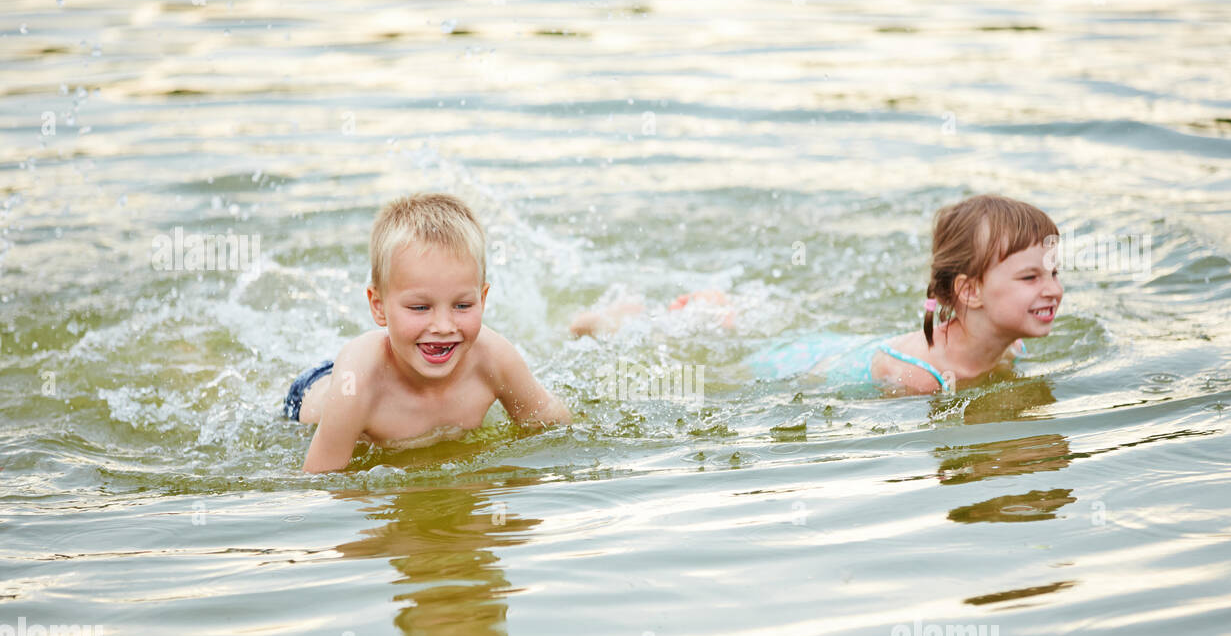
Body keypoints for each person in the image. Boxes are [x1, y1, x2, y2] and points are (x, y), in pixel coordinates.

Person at [569, 194, 1062, 395]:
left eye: (1054, 273)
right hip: (796, 366)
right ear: (970, 291)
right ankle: (615, 322)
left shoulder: (1009, 345)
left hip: (836, 343)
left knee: (725, 335)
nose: (1052, 290)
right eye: (1030, 278)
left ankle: (720, 314)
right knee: (707, 366)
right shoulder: (920, 380)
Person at [284, 193, 570, 473]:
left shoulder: (494, 357)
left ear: (482, 300)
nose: (444, 327)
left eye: (462, 305)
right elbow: (321, 482)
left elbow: (556, 431)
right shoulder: (357, 381)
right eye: (420, 307)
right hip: (316, 391)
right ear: (379, 306)